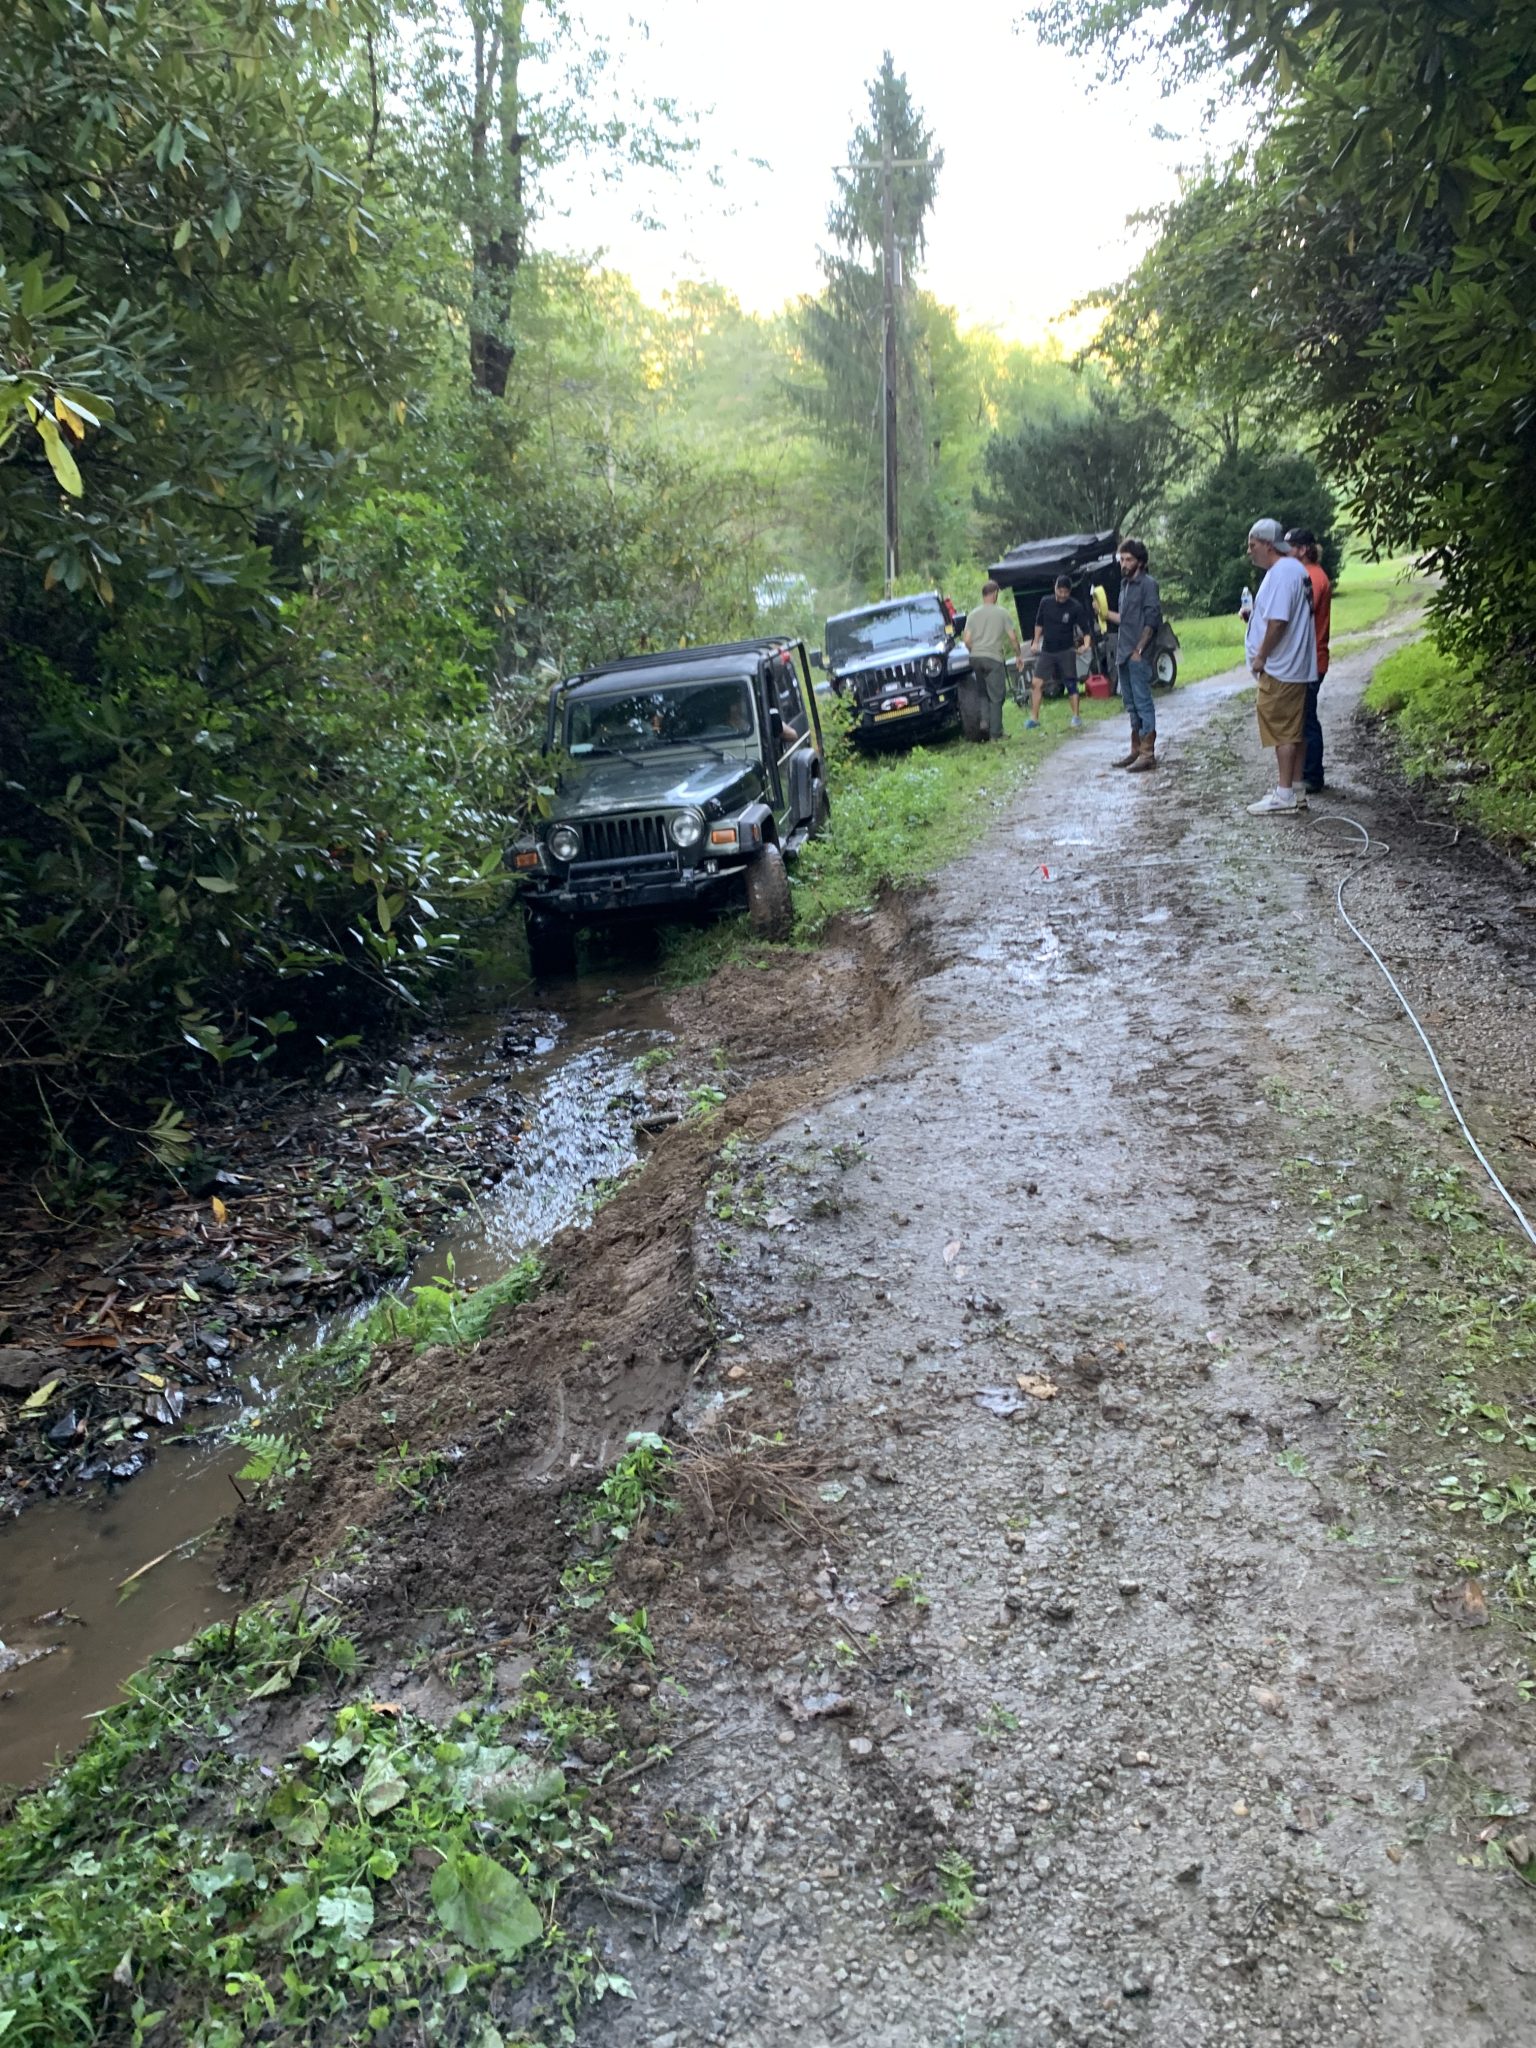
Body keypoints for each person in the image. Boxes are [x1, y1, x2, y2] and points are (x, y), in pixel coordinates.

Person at [1244, 518, 1317, 815]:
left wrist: (1261, 656)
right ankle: (1296, 788)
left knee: (1283, 733)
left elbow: (1278, 622)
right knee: (1293, 730)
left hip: (1282, 667)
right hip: (1294, 666)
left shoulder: (1283, 573)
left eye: (1252, 545)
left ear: (1268, 545)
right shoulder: (1292, 570)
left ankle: (1284, 792)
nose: (1250, 552)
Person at [1106, 538, 1161, 770]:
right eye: (1122, 559)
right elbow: (1124, 619)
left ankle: (1148, 753)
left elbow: (1152, 619)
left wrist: (1139, 649)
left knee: (1143, 701)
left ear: (1140, 561)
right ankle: (1136, 749)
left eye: (1128, 559)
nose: (1124, 564)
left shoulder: (1148, 584)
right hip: (1123, 652)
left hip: (1137, 653)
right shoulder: (1125, 585)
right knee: (1130, 703)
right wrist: (1104, 613)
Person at [1285, 527, 1332, 793]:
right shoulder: (1310, 574)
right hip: (1313, 658)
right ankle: (1308, 773)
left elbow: (1301, 611)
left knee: (1307, 719)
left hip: (1313, 658)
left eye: (1290, 546)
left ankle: (1312, 775)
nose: (1286, 551)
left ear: (1303, 549)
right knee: (1305, 717)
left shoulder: (1313, 577)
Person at [962, 580, 1022, 743]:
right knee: (997, 696)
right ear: (995, 593)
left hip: (975, 658)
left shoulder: (973, 614)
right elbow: (1012, 637)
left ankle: (985, 721)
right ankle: (995, 734)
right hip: (993, 658)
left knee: (983, 692)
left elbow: (966, 640)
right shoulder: (1002, 613)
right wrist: (1018, 655)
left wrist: (976, 651)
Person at [1029, 574, 1091, 729]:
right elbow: (1039, 623)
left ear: (1069, 592)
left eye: (1065, 592)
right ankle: (1034, 719)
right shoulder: (1045, 602)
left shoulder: (1075, 606)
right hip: (1047, 650)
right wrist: (1035, 641)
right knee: (1036, 683)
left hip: (1066, 650)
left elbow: (1086, 630)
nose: (1062, 595)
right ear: (1055, 588)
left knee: (1071, 684)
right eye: (1059, 591)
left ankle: (1076, 717)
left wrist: (1085, 645)